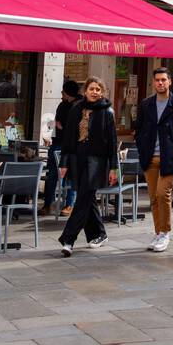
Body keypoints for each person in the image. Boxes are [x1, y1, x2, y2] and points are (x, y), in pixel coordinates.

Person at [57, 78, 118, 257]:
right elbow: (68, 138)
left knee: (83, 198)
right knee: (88, 197)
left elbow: (113, 142)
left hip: (97, 161)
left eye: (98, 89)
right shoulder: (76, 109)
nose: (95, 92)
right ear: (85, 91)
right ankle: (99, 233)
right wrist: (64, 163)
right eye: (92, 88)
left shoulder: (107, 112)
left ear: (102, 92)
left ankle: (68, 240)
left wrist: (114, 167)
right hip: (78, 159)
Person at [135, 67, 173, 253]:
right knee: (153, 198)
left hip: (170, 158)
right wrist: (143, 150)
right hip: (150, 157)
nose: (160, 83)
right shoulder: (146, 104)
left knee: (162, 194)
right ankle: (158, 232)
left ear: (170, 82)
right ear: (153, 82)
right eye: (157, 80)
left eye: (163, 80)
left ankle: (165, 232)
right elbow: (140, 129)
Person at [42, 80, 81, 216]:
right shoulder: (62, 105)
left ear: (67, 92)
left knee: (70, 175)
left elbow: (76, 128)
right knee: (52, 174)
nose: (61, 94)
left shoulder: (80, 106)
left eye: (63, 92)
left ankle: (69, 204)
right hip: (57, 143)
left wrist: (62, 127)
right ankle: (49, 203)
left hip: (71, 146)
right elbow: (58, 122)